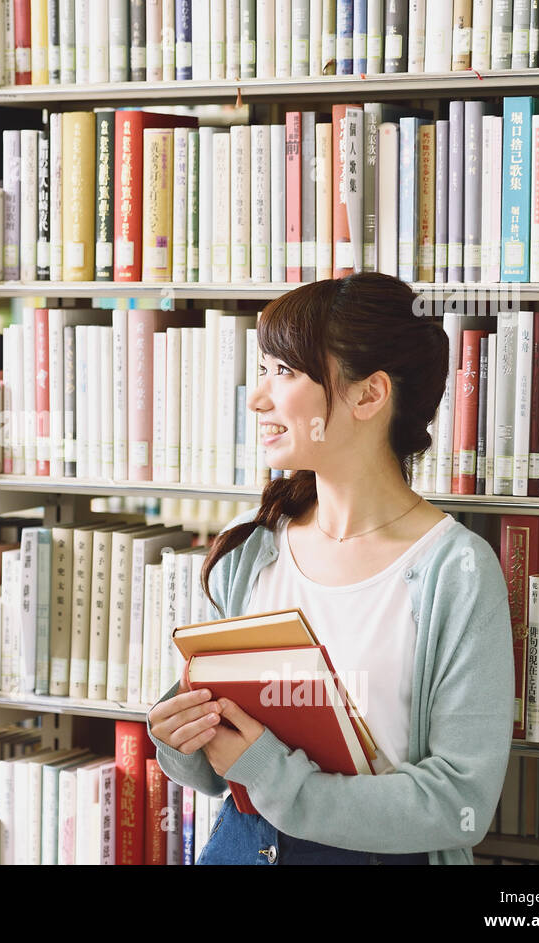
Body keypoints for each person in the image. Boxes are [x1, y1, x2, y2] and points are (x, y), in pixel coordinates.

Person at [147, 273, 513, 865]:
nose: (257, 398)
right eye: (262, 370)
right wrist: (180, 733)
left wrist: (278, 779)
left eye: (284, 372)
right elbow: (222, 770)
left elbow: (458, 805)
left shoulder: (457, 571)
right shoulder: (256, 549)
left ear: (369, 396)